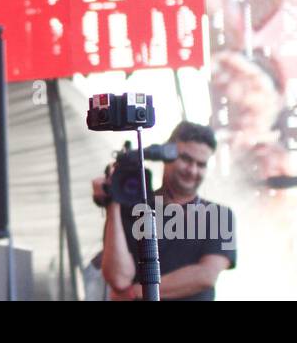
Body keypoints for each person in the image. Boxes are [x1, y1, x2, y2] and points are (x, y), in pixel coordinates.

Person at [98, 122, 237, 300]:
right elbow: (118, 278)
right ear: (166, 155)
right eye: (186, 159)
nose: (192, 170)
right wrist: (112, 201)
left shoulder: (220, 215)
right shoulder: (132, 208)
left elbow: (206, 275)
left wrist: (135, 293)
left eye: (201, 164)